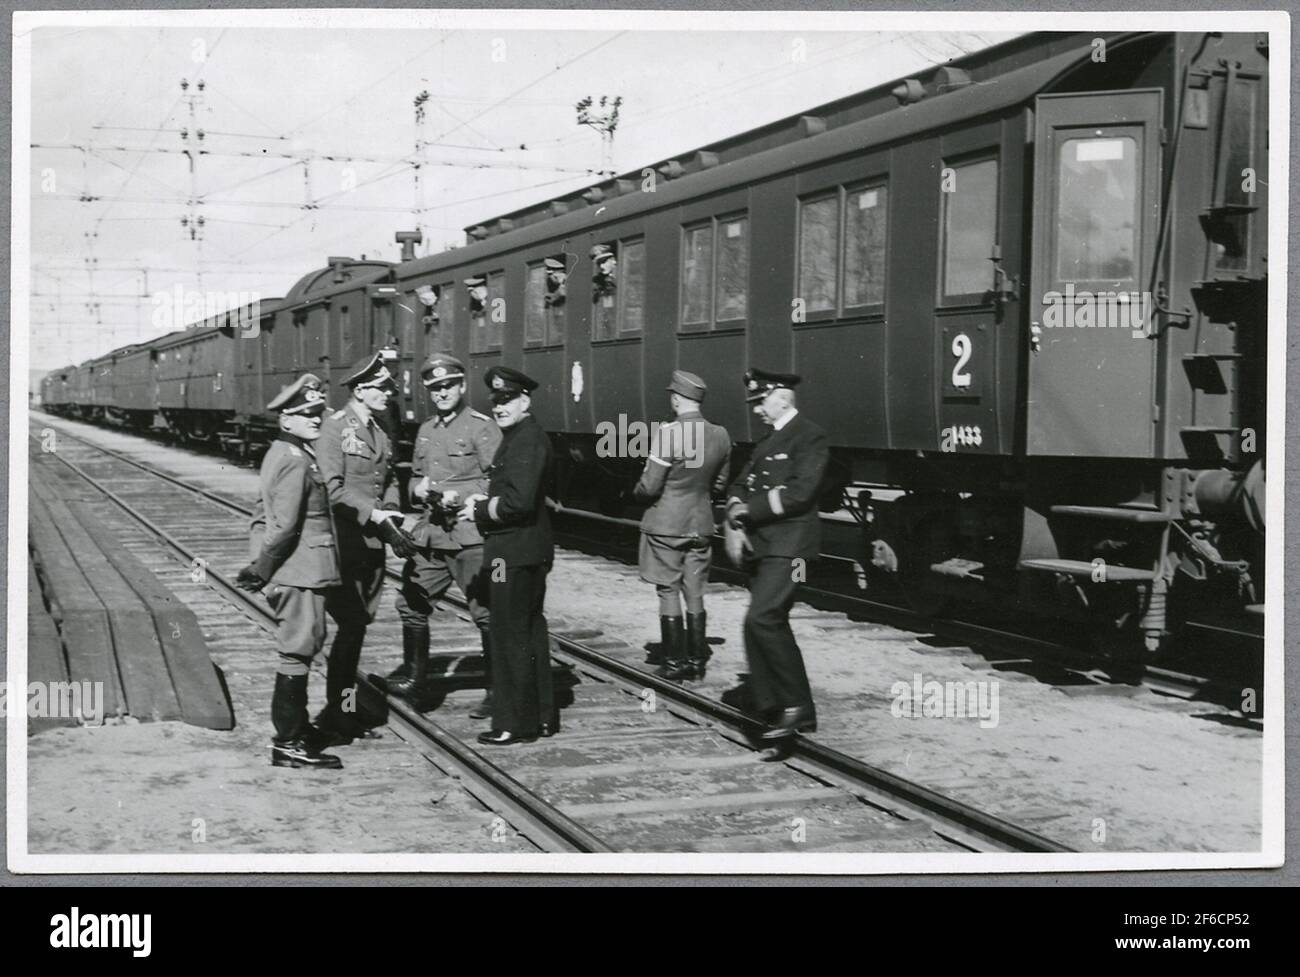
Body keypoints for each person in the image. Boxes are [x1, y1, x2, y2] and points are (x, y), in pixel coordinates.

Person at [235, 374, 343, 769]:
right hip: (301, 570)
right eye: (305, 414)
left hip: (300, 568)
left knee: (302, 645)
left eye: (318, 413)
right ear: (286, 420)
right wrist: (263, 570)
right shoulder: (295, 460)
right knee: (298, 649)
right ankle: (288, 743)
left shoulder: (288, 453)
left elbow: (260, 516)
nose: (315, 419)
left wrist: (259, 565)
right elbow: (281, 526)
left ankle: (296, 730)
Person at [387, 354, 500, 715]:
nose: (442, 393)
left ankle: (498, 690)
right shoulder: (426, 430)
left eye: (448, 386)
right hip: (432, 534)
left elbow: (496, 478)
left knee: (486, 612)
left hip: (470, 535)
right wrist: (419, 491)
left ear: (462, 386)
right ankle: (415, 682)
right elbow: (417, 476)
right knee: (411, 603)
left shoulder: (482, 426)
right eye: (435, 389)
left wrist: (463, 497)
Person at [314, 349, 418, 741]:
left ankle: (343, 710)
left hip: (370, 545)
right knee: (349, 629)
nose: (388, 394)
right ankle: (336, 715)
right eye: (380, 388)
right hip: (343, 545)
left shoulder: (378, 430)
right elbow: (334, 489)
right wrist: (377, 517)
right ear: (359, 390)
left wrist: (390, 513)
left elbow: (387, 480)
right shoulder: (334, 428)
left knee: (356, 632)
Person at [725, 367, 829, 751]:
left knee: (763, 617)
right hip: (766, 547)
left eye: (761, 402)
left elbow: (800, 493)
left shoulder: (809, 436)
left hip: (793, 549)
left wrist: (746, 512)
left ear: (782, 397)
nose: (756, 411)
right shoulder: (768, 442)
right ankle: (771, 704)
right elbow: (740, 482)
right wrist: (735, 505)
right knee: (762, 623)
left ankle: (797, 705)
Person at [459, 366, 555, 745]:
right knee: (530, 632)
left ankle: (513, 723)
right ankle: (541, 716)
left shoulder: (525, 440)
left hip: (508, 555)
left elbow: (519, 502)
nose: (499, 407)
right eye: (495, 400)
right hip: (524, 549)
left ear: (524, 401)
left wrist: (479, 510)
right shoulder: (521, 436)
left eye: (507, 399)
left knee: (507, 632)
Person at [633, 370, 731, 680]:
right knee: (695, 590)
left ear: (676, 399)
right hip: (700, 524)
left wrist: (635, 492)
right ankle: (697, 662)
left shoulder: (669, 433)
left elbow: (649, 486)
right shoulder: (721, 434)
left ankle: (674, 663)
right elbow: (720, 485)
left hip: (667, 524)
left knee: (668, 590)